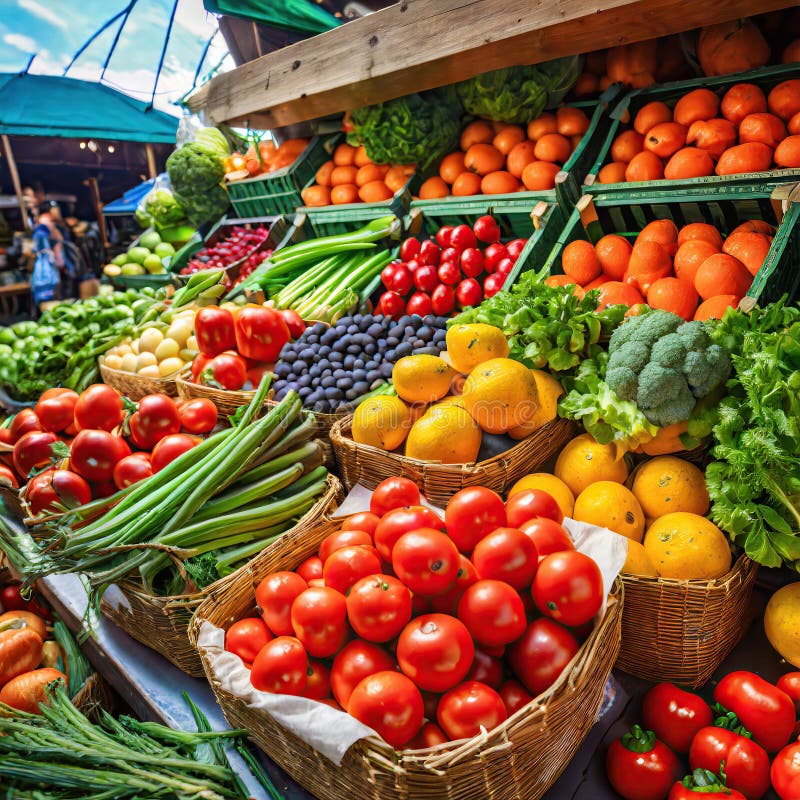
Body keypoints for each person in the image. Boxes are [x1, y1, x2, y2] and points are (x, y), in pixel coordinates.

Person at [30, 201, 77, 309]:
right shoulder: (46, 223)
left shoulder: (48, 224)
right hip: (52, 263)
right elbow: (56, 242)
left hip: (53, 263)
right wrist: (59, 258)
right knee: (54, 293)